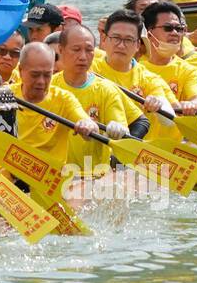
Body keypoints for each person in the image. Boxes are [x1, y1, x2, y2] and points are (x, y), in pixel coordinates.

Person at [51, 23, 131, 173]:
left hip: (94, 177)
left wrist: (117, 130)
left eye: (89, 50)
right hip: (55, 176)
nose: (82, 57)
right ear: (61, 50)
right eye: (76, 50)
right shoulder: (48, 87)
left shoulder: (106, 89)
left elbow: (123, 133)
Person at [12, 42, 100, 169]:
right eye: (35, 75)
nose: (41, 82)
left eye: (47, 75)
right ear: (20, 71)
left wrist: (88, 125)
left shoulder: (64, 99)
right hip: (12, 172)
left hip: (50, 177)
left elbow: (88, 123)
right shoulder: (4, 95)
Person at [92, 9, 172, 130]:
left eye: (128, 40)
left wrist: (158, 103)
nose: (121, 45)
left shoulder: (149, 79)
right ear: (104, 40)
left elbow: (168, 121)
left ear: (137, 45)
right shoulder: (88, 69)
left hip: (136, 141)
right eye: (116, 37)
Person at [139, 1, 197, 114]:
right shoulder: (135, 67)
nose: (175, 33)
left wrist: (192, 104)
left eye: (179, 29)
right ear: (149, 33)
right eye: (168, 28)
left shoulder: (187, 70)